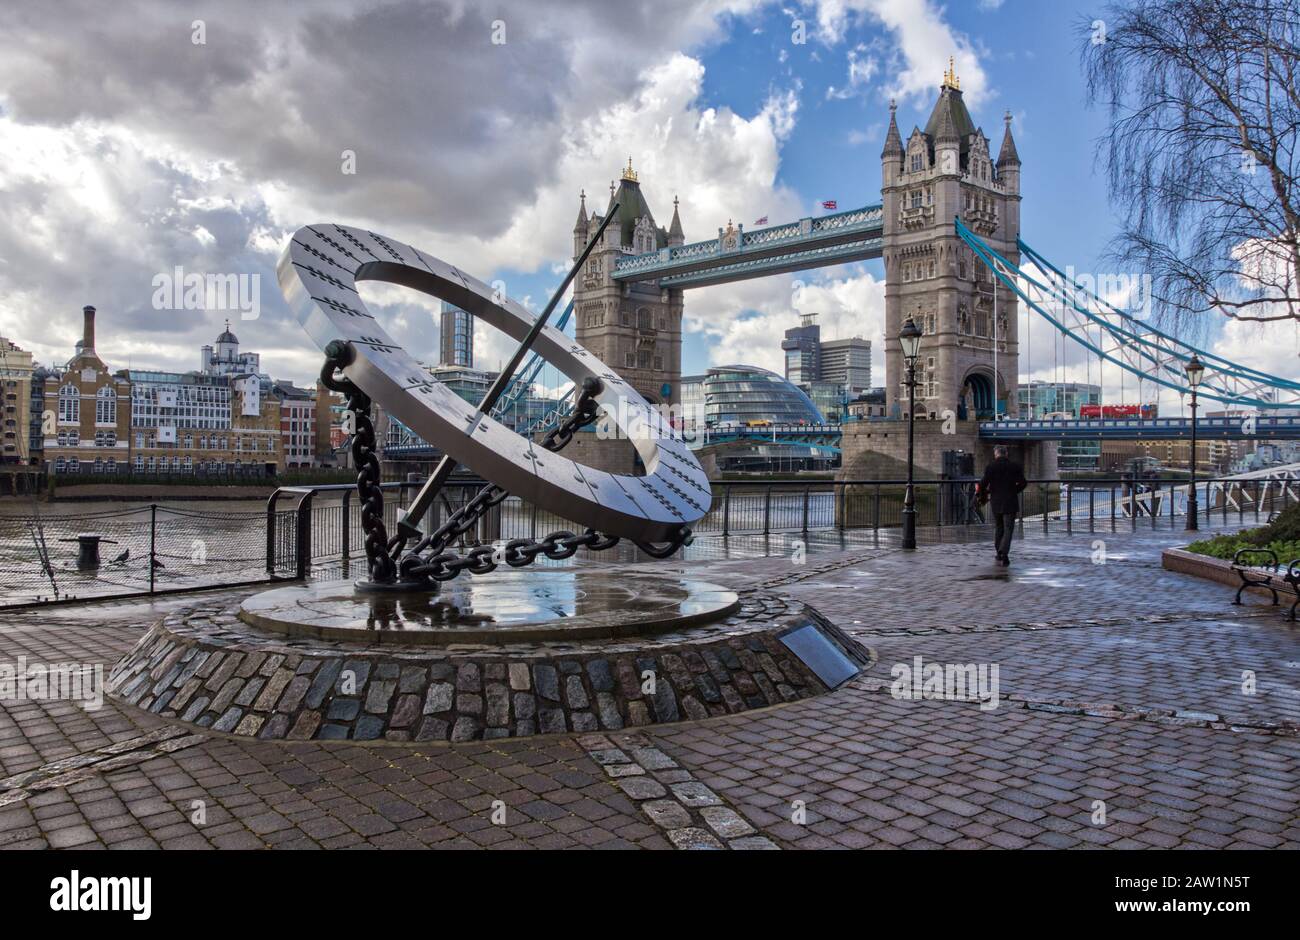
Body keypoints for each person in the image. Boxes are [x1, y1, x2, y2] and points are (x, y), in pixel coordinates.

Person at [977, 444, 1027, 566]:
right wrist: (1014, 490)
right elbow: (1023, 483)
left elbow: (982, 484)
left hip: (996, 501)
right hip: (1010, 501)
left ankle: (999, 552)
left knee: (999, 527)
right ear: (1006, 454)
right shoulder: (1015, 466)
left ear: (996, 454)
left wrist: (985, 493)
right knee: (1008, 529)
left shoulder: (991, 467)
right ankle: (1004, 552)